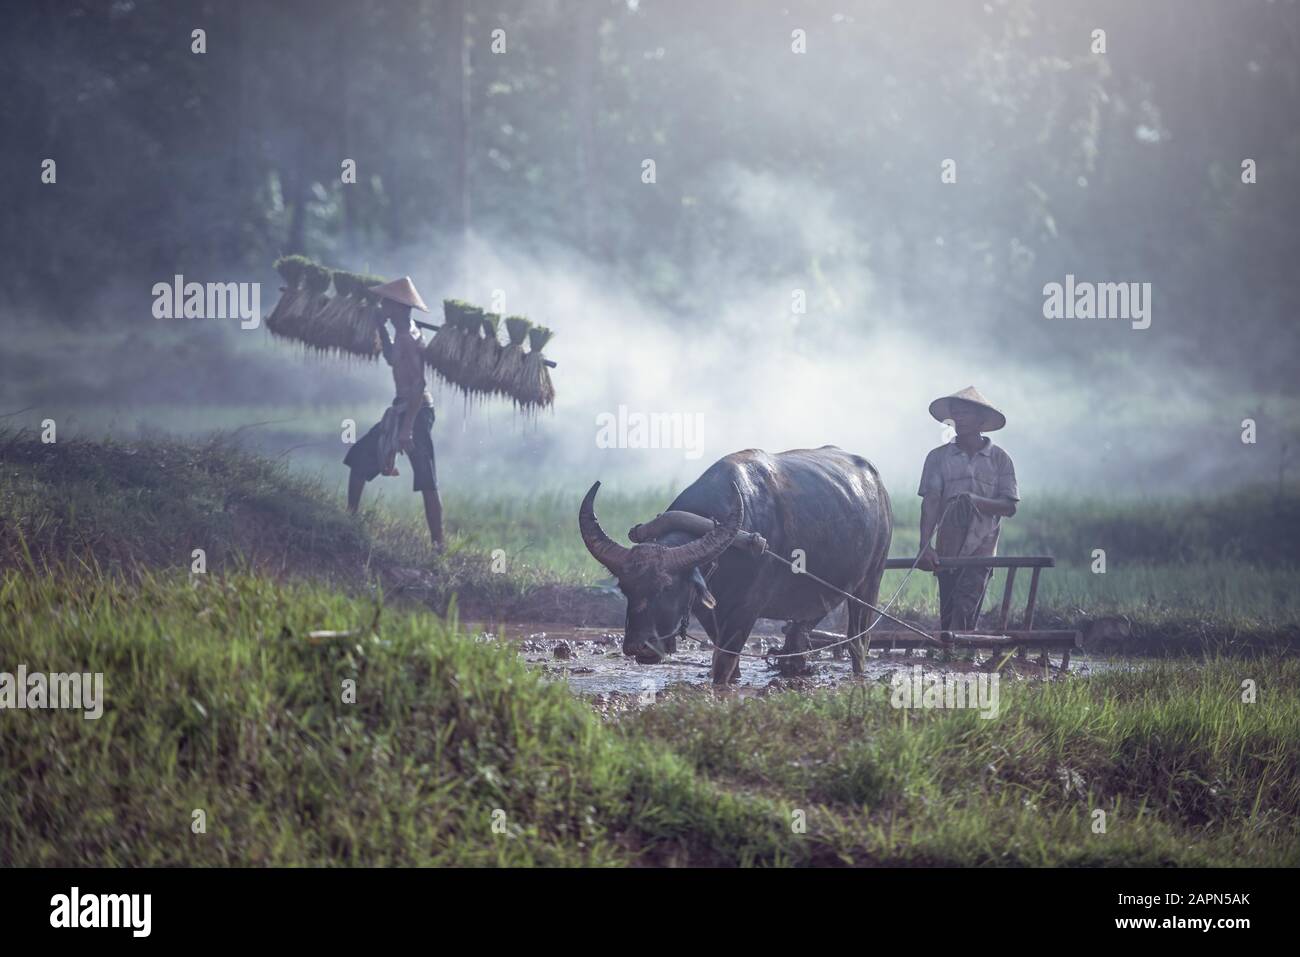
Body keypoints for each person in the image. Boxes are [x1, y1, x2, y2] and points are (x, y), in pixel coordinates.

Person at [343, 276, 444, 548]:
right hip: (404, 408)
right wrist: (380, 326)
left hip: (416, 411)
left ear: (399, 307)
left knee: (426, 477)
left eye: (386, 303)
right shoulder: (402, 332)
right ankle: (349, 522)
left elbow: (419, 384)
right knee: (360, 458)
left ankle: (438, 544)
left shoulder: (410, 338)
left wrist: (407, 428)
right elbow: (390, 358)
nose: (382, 305)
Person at [916, 387, 1019, 631]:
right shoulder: (938, 458)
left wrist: (975, 501)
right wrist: (924, 546)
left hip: (982, 548)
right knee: (949, 609)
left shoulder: (999, 459)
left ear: (981, 421)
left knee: (966, 607)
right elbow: (931, 502)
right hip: (947, 548)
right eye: (956, 414)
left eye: (966, 414)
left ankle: (960, 656)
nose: (959, 419)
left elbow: (1009, 506)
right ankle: (952, 656)